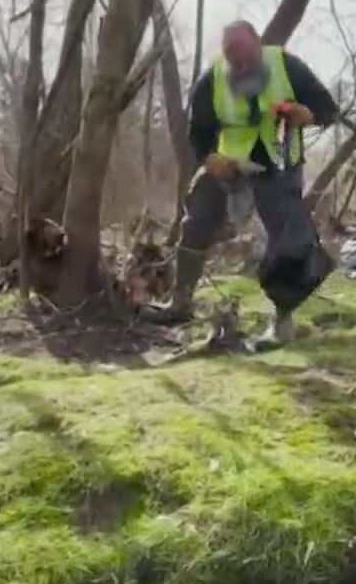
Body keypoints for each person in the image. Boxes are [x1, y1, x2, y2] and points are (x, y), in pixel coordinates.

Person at [143, 20, 340, 346]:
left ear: (258, 46)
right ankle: (180, 303)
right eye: (232, 55)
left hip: (278, 164)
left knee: (284, 240)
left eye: (246, 53)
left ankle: (281, 321)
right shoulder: (213, 79)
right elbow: (197, 133)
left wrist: (305, 115)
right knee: (196, 221)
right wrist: (210, 159)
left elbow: (327, 110)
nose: (240, 62)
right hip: (230, 165)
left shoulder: (286, 66)